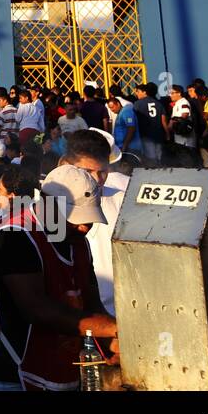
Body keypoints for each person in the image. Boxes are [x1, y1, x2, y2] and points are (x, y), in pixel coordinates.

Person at [0, 163, 116, 391]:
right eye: (78, 219)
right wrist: (114, 329)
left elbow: (91, 301)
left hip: (60, 367)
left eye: (88, 220)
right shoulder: (14, 237)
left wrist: (111, 344)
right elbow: (37, 309)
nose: (85, 228)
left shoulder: (78, 242)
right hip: (11, 374)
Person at [60, 129, 127, 317]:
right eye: (88, 171)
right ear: (66, 165)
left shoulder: (124, 201)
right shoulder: (47, 206)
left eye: (103, 172)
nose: (97, 180)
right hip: (69, 319)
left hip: (117, 316)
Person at [131, 83, 167, 165]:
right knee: (160, 158)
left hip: (146, 135)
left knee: (150, 159)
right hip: (159, 134)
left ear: (145, 92)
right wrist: (167, 134)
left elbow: (134, 120)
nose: (137, 93)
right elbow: (163, 121)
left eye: (138, 91)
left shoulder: (137, 104)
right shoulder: (158, 103)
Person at [109, 94, 142, 159]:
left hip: (130, 149)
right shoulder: (121, 113)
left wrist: (124, 146)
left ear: (118, 104)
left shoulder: (127, 111)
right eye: (110, 108)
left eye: (112, 107)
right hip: (124, 148)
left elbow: (131, 128)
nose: (111, 110)